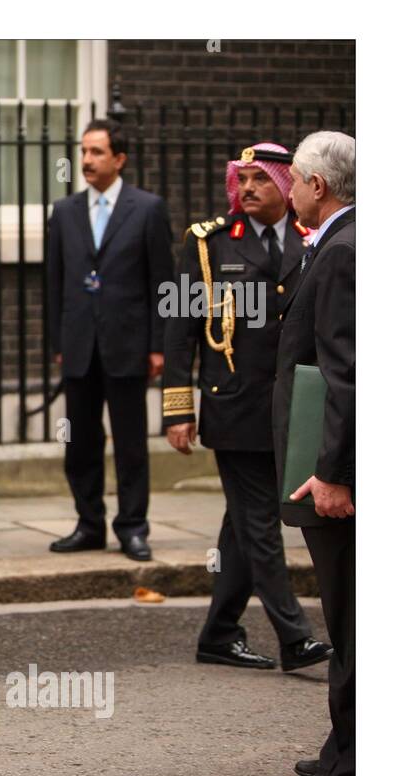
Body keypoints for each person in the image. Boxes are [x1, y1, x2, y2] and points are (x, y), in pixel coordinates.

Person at [163, 143, 332, 673]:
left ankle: (218, 633)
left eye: (261, 178)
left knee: (242, 526)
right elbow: (179, 329)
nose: (249, 188)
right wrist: (177, 408)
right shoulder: (210, 244)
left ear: (287, 184)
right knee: (260, 520)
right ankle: (294, 636)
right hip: (232, 408)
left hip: (283, 409)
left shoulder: (309, 240)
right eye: (243, 179)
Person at [45, 119, 174, 561]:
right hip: (80, 344)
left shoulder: (148, 209)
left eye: (97, 152)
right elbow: (54, 282)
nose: (86, 160)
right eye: (83, 151)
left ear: (119, 159)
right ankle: (89, 524)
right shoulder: (64, 212)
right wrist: (58, 341)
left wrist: (158, 345)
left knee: (131, 442)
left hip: (128, 344)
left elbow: (162, 281)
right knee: (79, 442)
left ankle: (133, 527)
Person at [273, 131, 355, 776]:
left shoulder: (344, 252)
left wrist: (334, 472)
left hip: (337, 477)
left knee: (352, 618)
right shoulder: (341, 244)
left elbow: (345, 373)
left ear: (318, 187)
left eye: (294, 179)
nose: (288, 189)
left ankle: (353, 765)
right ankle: (342, 744)